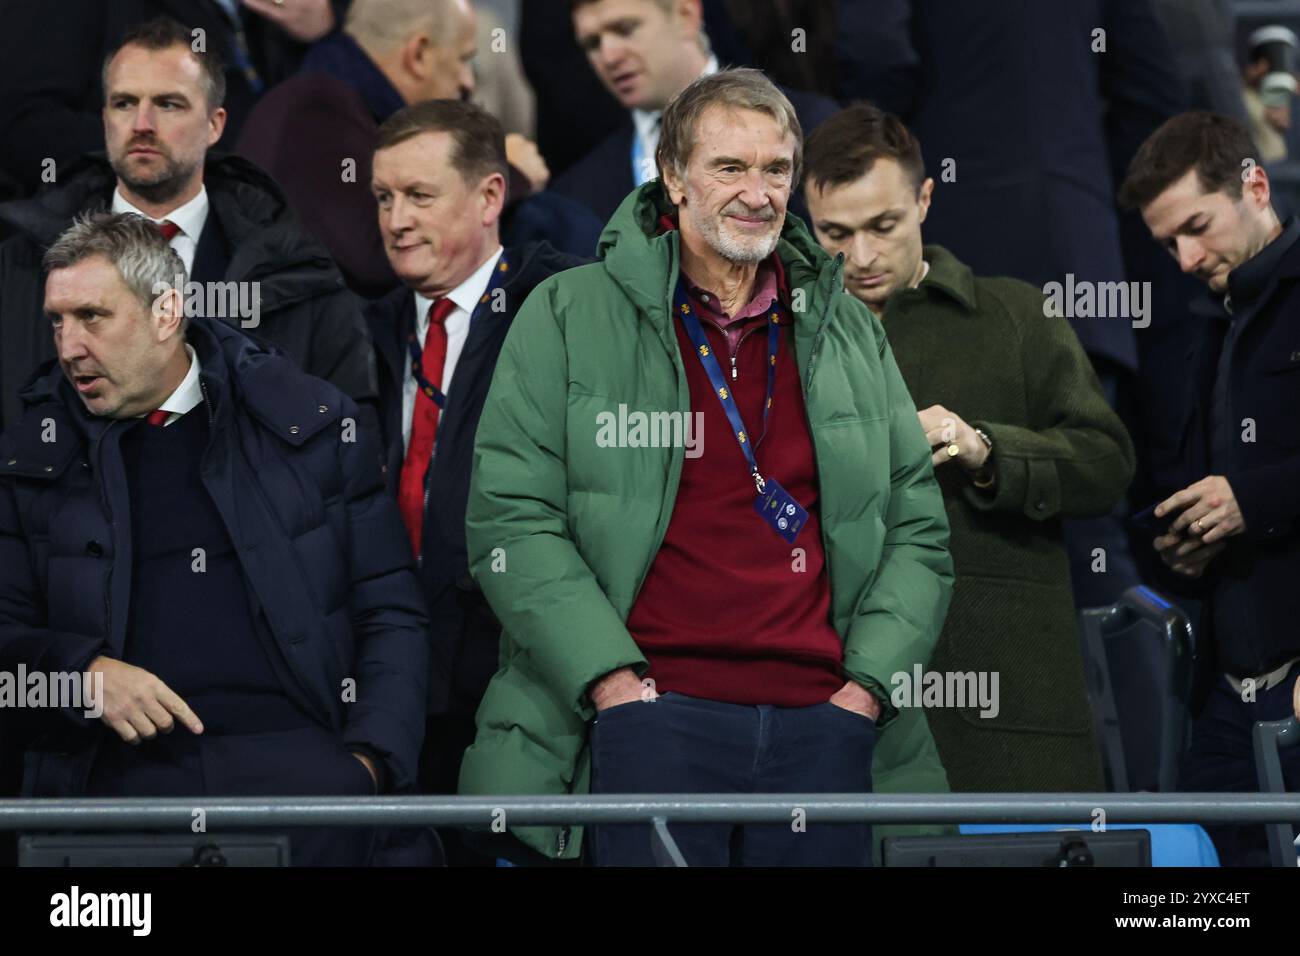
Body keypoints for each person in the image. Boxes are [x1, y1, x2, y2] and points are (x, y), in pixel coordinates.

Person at [460, 69, 953, 866]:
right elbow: (511, 522)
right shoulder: (566, 311)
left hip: (824, 725)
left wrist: (863, 692)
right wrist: (614, 687)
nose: (758, 193)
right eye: (730, 168)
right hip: (651, 715)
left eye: (776, 170)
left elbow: (919, 531)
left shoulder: (848, 328)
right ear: (673, 178)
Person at [0, 212, 430, 865]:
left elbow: (390, 611)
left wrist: (369, 764)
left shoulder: (307, 425)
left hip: (304, 774)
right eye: (57, 321)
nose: (69, 347)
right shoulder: (30, 455)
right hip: (113, 783)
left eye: (92, 317)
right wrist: (80, 674)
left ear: (166, 313)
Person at [803, 104, 1135, 791]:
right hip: (832, 698)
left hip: (1008, 706)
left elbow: (1107, 465)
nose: (859, 257)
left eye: (883, 226)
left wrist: (986, 449)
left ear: (925, 199)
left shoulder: (1016, 316)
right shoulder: (787, 335)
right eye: (834, 233)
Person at [365, 99, 586, 864]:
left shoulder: (562, 312)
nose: (396, 220)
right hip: (389, 678)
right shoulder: (359, 329)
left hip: (519, 678)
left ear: (491, 196)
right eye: (383, 198)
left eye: (419, 196)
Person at [0, 17, 376, 433]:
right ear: (104, 120)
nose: (142, 124)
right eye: (124, 103)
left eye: (168, 104)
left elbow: (348, 436)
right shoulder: (19, 265)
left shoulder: (298, 271)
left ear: (215, 124)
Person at [1119, 111, 1300, 866]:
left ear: (1255, 186)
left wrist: (1249, 502)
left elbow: (1249, 496)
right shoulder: (1210, 329)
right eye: (1168, 244)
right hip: (1226, 698)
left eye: (1196, 227)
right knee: (1195, 905)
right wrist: (1183, 554)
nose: (1187, 258)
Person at [237, 0, 601, 298]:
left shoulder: (339, 103)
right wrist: (507, 174)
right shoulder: (316, 107)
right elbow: (376, 261)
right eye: (463, 59)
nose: (467, 82)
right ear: (420, 54)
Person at [0, 0, 349, 193]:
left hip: (278, 223)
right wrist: (177, 163)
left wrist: (327, 28)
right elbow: (25, 124)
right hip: (132, 247)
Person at [551, 0, 837, 225]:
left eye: (625, 29)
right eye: (593, 43)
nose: (609, 56)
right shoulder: (579, 192)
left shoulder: (811, 126)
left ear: (686, 15)